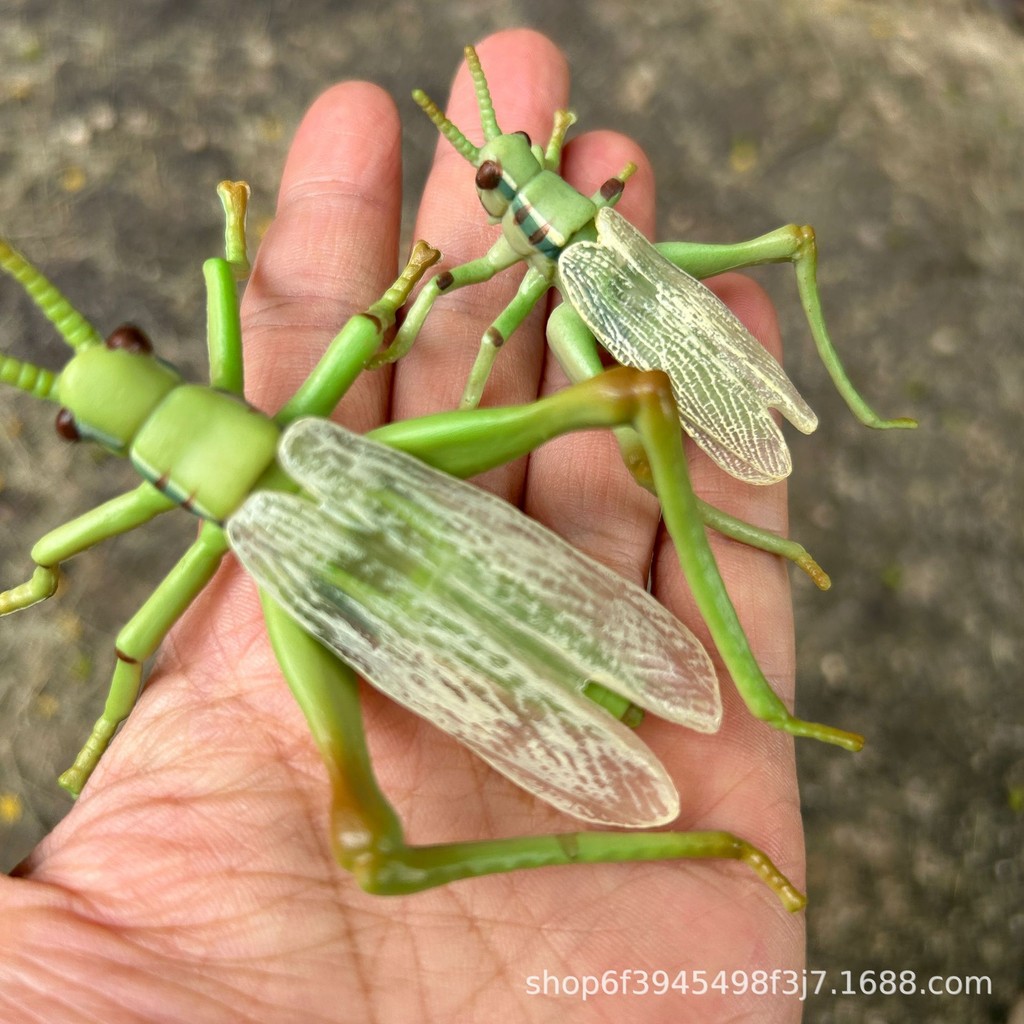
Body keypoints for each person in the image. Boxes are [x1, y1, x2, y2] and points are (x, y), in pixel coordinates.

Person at [1, 29, 807, 1023]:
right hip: (345, 528)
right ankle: (725, 795)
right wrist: (240, 247)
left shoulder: (173, 529)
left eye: (120, 347)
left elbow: (120, 629)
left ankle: (713, 829)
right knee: (624, 400)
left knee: (370, 849)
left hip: (317, 547)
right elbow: (234, 288)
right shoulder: (273, 392)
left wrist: (47, 603)